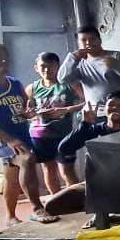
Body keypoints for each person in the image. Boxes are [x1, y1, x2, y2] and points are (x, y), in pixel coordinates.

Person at [0, 44, 58, 226]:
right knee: (26, 159)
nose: (4, 61)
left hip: (20, 133)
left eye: (6, 57)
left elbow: (26, 109)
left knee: (12, 173)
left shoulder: (15, 83)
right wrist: (9, 140)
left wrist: (32, 112)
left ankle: (10, 217)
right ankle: (36, 208)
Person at [57, 92, 120, 229]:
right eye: (111, 105)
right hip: (100, 179)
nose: (115, 108)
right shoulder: (95, 129)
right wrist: (85, 124)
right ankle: (100, 215)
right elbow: (65, 147)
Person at [25, 52, 84, 194]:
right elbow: (26, 112)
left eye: (51, 66)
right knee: (48, 168)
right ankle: (56, 201)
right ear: (36, 68)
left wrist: (66, 110)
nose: (47, 70)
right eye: (43, 66)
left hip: (63, 135)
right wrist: (30, 114)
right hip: (39, 136)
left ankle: (77, 202)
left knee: (66, 171)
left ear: (58, 67)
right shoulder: (32, 88)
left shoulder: (69, 85)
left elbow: (88, 102)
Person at [58, 25, 120, 109]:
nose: (88, 43)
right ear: (78, 43)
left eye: (92, 39)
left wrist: (118, 66)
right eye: (83, 40)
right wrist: (72, 58)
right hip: (94, 114)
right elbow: (62, 79)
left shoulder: (116, 56)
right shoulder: (78, 63)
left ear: (100, 40)